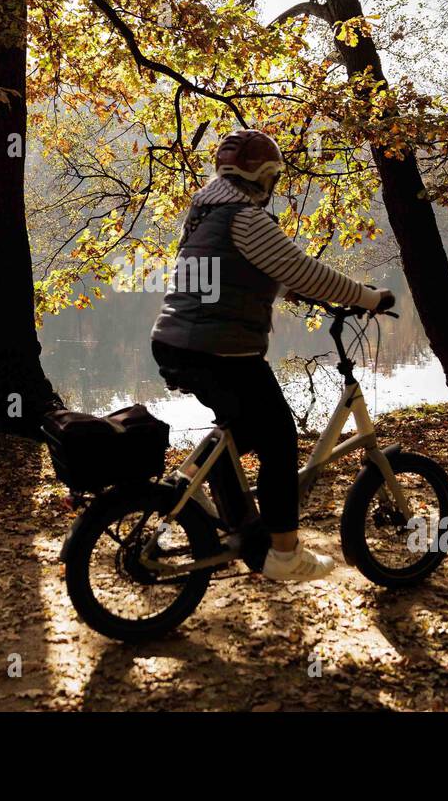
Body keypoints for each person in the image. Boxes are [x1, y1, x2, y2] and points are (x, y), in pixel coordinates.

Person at [151, 129, 392, 582]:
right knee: (279, 435)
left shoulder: (205, 213)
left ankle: (211, 504)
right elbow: (305, 271)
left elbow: (241, 270)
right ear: (264, 177)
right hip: (217, 350)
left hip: (176, 341)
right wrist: (369, 298)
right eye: (273, 177)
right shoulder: (246, 217)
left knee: (239, 429)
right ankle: (284, 554)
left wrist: (288, 291)